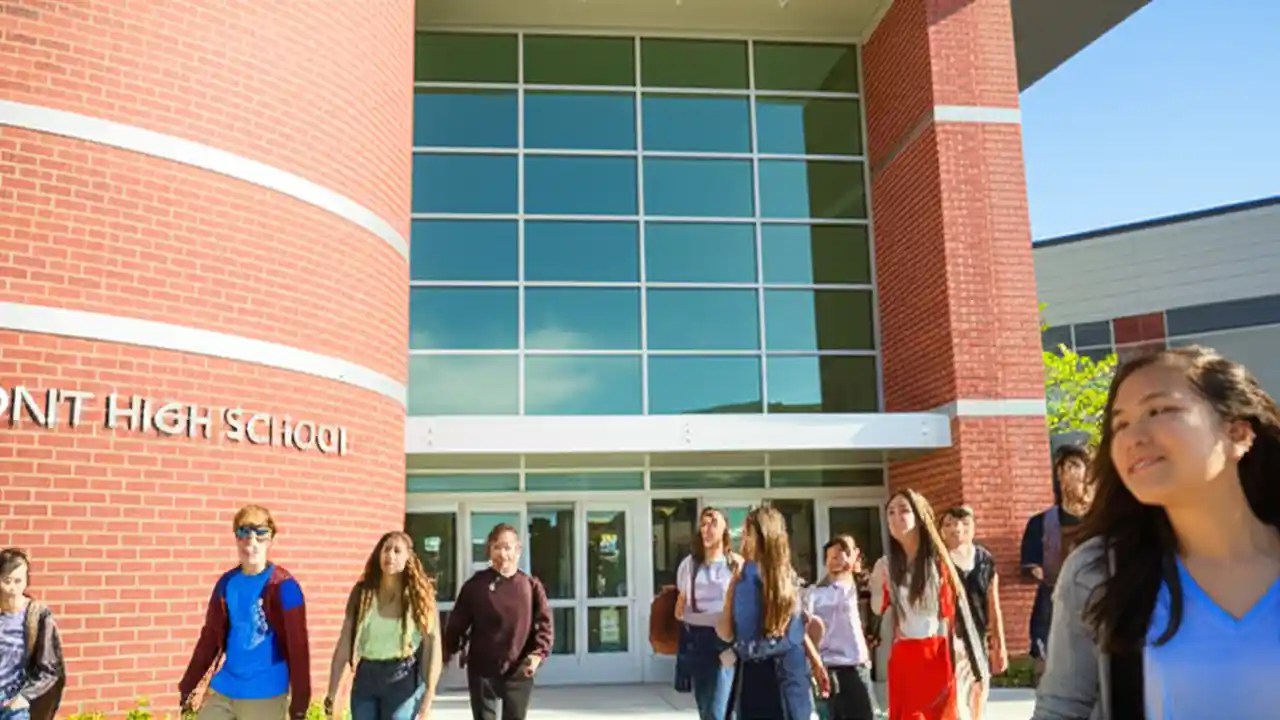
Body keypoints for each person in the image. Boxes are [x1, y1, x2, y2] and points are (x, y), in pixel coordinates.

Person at [1033, 346, 1280, 719]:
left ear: (1237, 432)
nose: (1134, 436)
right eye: (1120, 424)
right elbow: (1062, 709)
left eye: (1159, 410)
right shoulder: (1099, 572)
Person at [179, 505, 311, 720]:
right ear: (236, 538)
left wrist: (300, 704)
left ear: (271, 540)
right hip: (226, 686)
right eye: (243, 532)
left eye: (260, 533)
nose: (251, 540)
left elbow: (298, 646)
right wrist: (189, 684)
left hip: (265, 691)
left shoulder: (285, 587)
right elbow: (210, 636)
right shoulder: (227, 582)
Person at [869, 490, 986, 720]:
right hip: (903, 656)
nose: (895, 517)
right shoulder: (886, 564)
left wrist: (975, 668)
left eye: (904, 510)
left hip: (936, 652)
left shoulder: (938, 561)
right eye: (890, 512)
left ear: (920, 517)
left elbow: (955, 614)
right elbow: (877, 609)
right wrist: (876, 585)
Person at [715, 505, 829, 719]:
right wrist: (814, 659)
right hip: (789, 678)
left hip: (760, 677)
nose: (744, 539)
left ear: (761, 536)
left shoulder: (749, 577)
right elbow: (792, 632)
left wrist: (738, 651)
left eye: (748, 533)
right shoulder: (786, 576)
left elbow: (730, 633)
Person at [324, 531, 443, 720]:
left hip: (401, 677)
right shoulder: (363, 593)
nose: (390, 556)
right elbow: (344, 644)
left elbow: (433, 644)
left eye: (397, 551)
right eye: (386, 549)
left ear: (408, 558)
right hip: (366, 676)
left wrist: (429, 691)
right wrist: (332, 692)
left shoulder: (419, 595)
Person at [444, 524, 553, 720]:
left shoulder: (530, 586)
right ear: (489, 550)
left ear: (518, 550)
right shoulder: (475, 586)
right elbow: (457, 625)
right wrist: (444, 654)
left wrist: (537, 655)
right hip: (482, 668)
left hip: (519, 668)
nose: (502, 554)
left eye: (507, 547)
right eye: (496, 547)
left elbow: (544, 626)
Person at [1020, 443, 1093, 684]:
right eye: (1065, 467)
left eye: (1077, 466)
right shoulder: (1041, 523)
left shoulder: (1101, 520)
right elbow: (1032, 565)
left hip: (1097, 600)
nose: (1071, 473)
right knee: (1051, 670)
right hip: (1055, 600)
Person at [674, 507, 741, 720]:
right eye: (703, 524)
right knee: (706, 707)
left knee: (718, 709)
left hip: (727, 640)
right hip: (698, 640)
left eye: (713, 523)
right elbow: (680, 609)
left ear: (725, 529)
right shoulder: (690, 565)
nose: (707, 529)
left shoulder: (735, 564)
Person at [804, 536, 879, 720]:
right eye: (831, 557)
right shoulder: (814, 592)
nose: (837, 561)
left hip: (855, 665)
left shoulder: (860, 587)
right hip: (827, 666)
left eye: (842, 554)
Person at [941, 506, 1008, 678]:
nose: (957, 529)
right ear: (941, 531)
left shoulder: (984, 560)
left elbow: (993, 605)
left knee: (978, 691)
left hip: (978, 637)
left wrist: (999, 644)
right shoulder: (937, 561)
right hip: (947, 639)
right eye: (949, 524)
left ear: (974, 528)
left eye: (965, 524)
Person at [0, 549, 64, 720]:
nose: (13, 588)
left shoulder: (37, 615)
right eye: (7, 581)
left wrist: (24, 697)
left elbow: (49, 667)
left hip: (15, 705)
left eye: (19, 580)